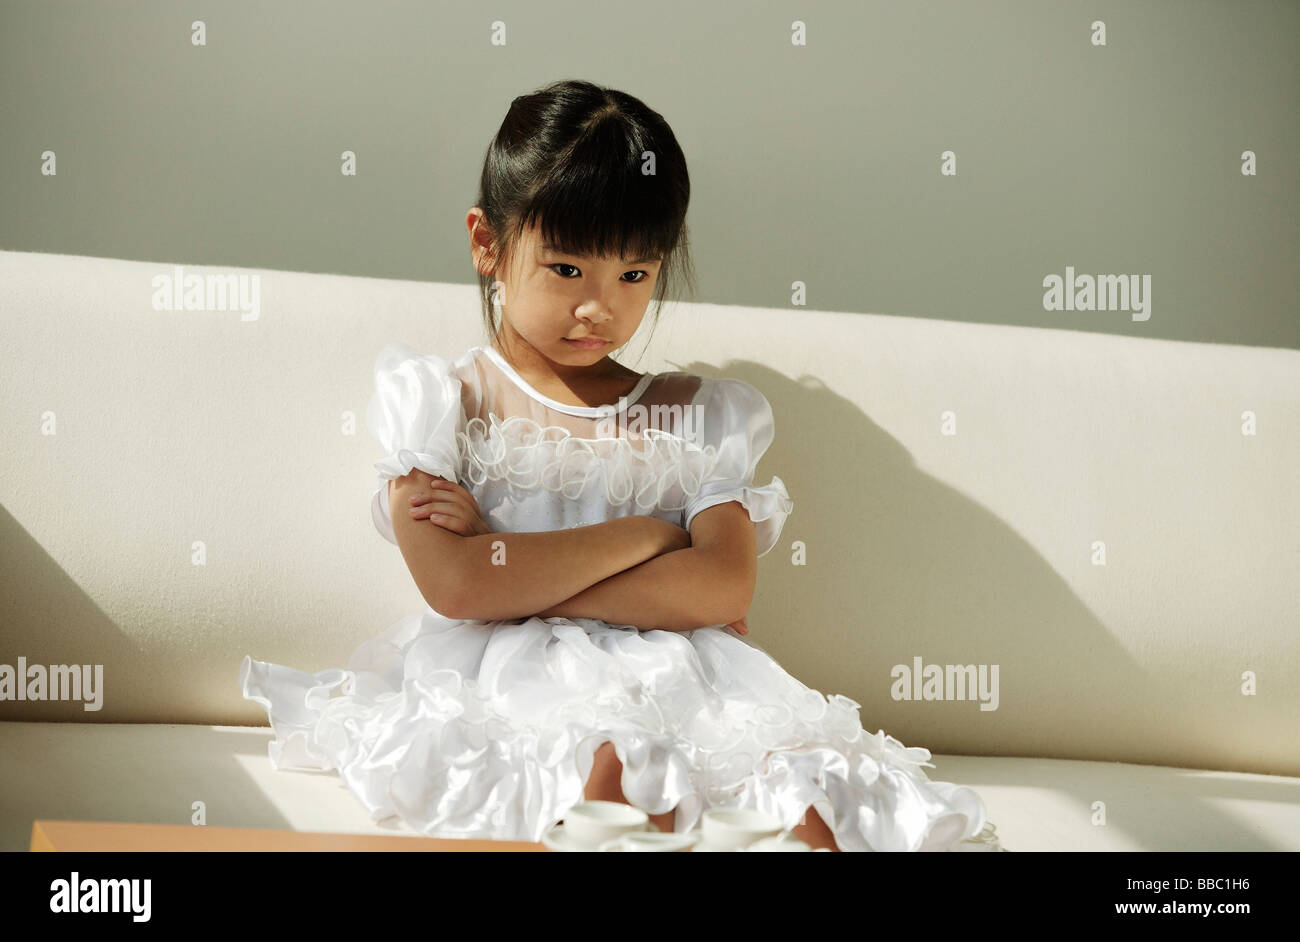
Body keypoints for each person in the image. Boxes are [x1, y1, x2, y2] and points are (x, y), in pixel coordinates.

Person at [240, 79, 1005, 852]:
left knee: (801, 797)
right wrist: (648, 535)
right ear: (487, 245)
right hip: (517, 686)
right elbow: (457, 584)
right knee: (615, 774)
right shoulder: (445, 399)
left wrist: (517, 572)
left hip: (695, 683)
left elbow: (721, 586)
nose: (599, 308)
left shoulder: (696, 413)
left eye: (633, 276)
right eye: (568, 270)